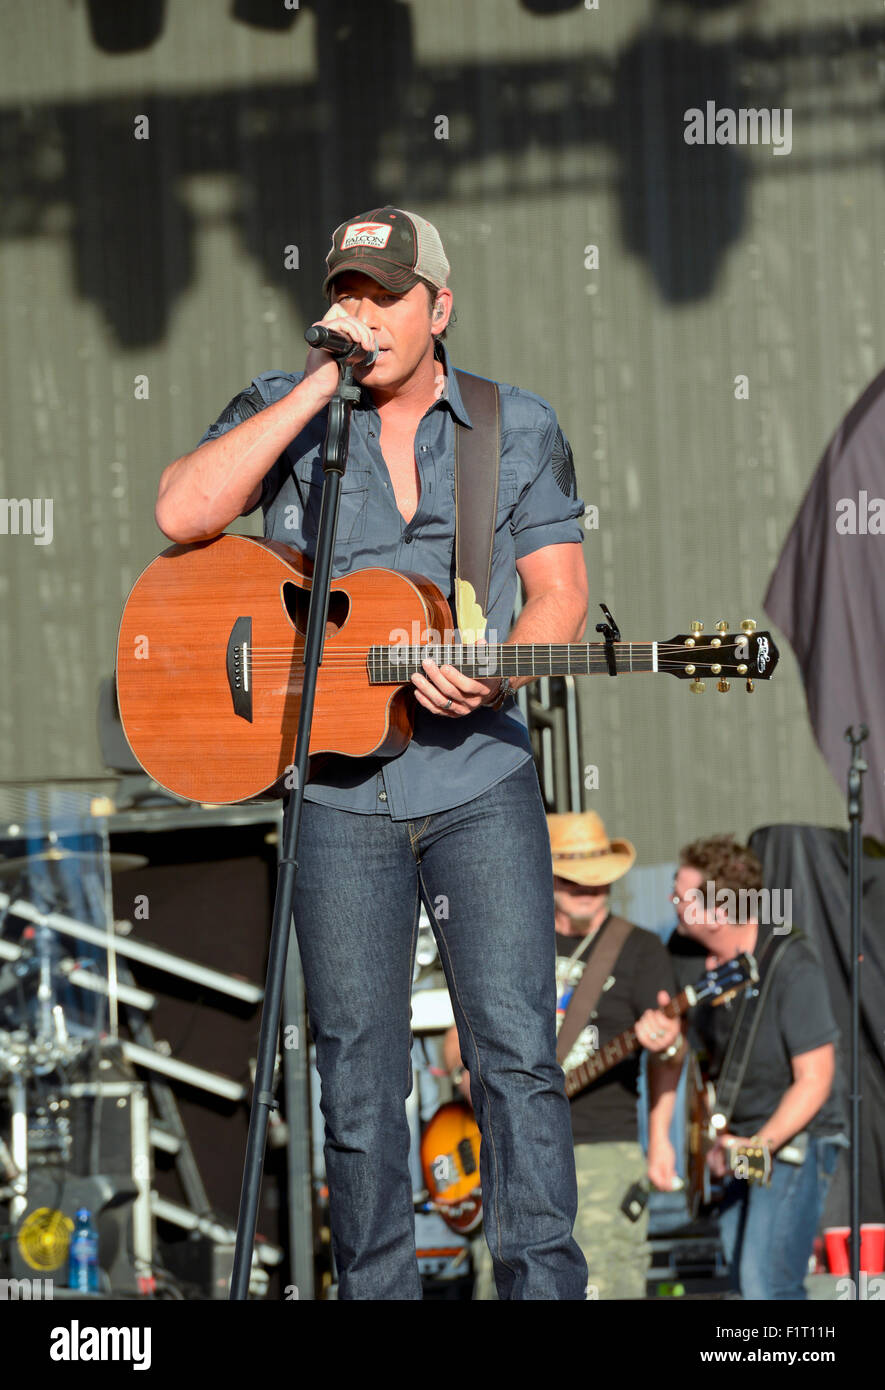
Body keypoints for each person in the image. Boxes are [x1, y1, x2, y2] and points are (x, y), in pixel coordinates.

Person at [154, 206, 591, 1299]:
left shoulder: (512, 425)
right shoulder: (289, 410)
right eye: (347, 291)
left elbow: (560, 600)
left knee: (517, 1058)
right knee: (354, 1071)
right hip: (337, 791)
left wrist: (498, 668)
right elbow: (182, 508)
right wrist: (314, 389)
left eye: (385, 296)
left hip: (477, 776)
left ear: (439, 307)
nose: (363, 312)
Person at [446, 810, 685, 1299]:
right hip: (511, 1147)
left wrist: (661, 1136)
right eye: (576, 881)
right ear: (546, 876)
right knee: (503, 1285)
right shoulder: (507, 942)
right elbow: (458, 1040)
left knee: (604, 1284)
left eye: (599, 882)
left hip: (601, 1145)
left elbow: (671, 1055)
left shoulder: (637, 948)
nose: (590, 891)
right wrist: (464, 1082)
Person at [667, 833, 847, 1300]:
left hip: (789, 1142)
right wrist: (710, 1139)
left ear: (719, 910)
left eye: (681, 895)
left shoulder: (791, 964)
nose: (671, 900)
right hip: (734, 1141)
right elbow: (698, 1063)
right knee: (745, 1282)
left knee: (766, 1283)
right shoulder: (686, 957)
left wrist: (755, 1148)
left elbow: (815, 1078)